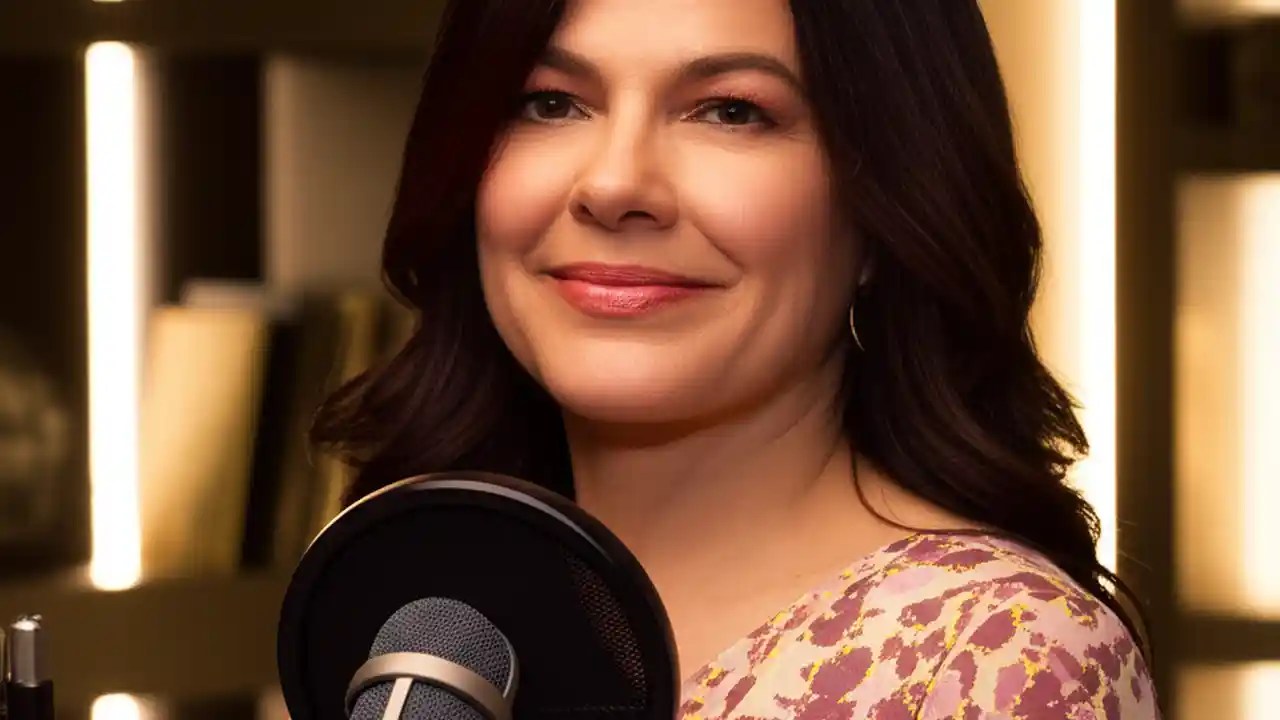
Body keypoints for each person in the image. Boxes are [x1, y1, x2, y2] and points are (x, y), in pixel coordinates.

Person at [313, 0, 1160, 717]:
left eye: (730, 111)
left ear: (888, 201)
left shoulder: (996, 656)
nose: (613, 186)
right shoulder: (413, 617)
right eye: (549, 102)